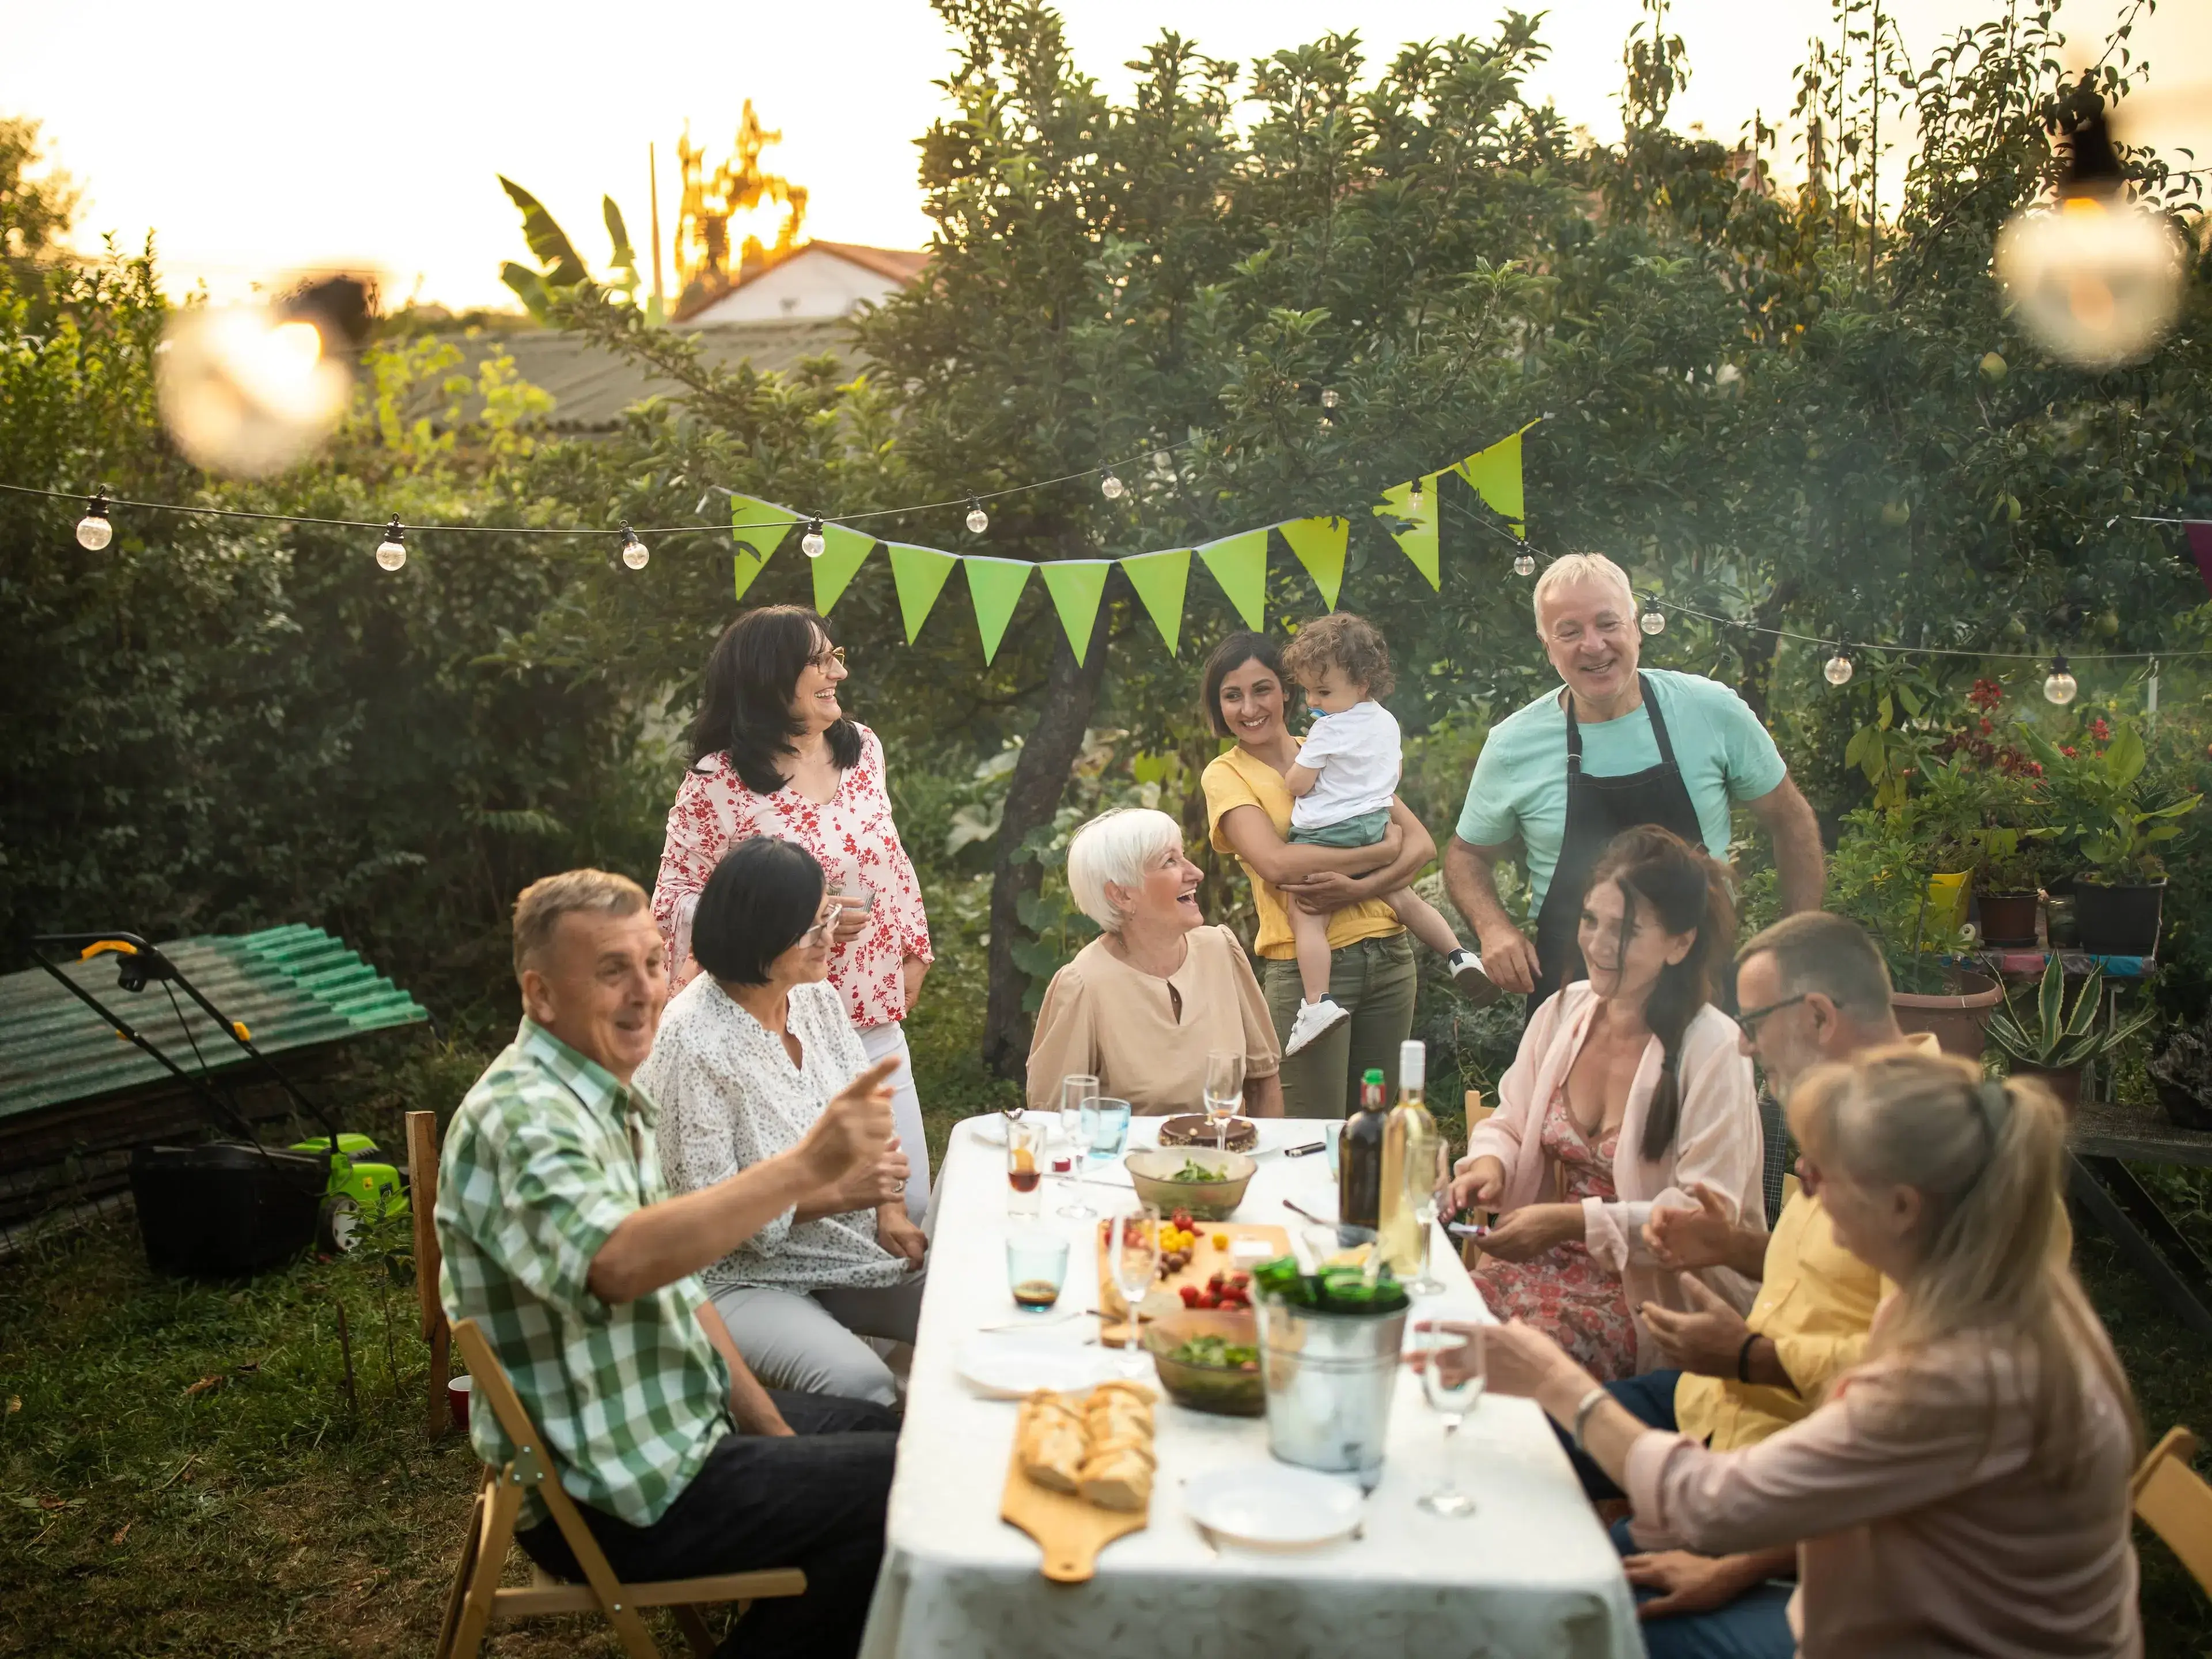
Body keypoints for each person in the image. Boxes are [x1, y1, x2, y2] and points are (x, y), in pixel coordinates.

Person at [1434, 1046, 2142, 1659]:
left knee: (1596, 1623)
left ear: (1902, 1208)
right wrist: (1741, 1568)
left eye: (1824, 1171)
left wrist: (1556, 1379)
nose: (1802, 1177)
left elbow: (1707, 1503)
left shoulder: (1958, 1371)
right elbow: (1889, 1496)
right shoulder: (1981, 1292)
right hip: (1890, 1605)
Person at [436, 869, 908, 1659]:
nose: (645, 991)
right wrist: (806, 1168)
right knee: (908, 1496)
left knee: (899, 1436)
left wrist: (771, 1428)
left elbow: (683, 1294)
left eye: (654, 964)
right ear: (540, 995)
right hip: (612, 1492)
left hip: (686, 1429)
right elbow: (617, 1265)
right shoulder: (525, 1118)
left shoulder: (608, 1096)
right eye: (611, 971)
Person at [1565, 912, 1925, 1655]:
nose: (1744, 1042)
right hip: (1712, 1407)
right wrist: (1732, 1246)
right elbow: (1831, 1273)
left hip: (1794, 1472)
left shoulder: (1935, 1155)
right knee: (1520, 1432)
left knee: (1587, 1606)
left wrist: (1749, 1358)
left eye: (1754, 1021)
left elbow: (1915, 1431)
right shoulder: (1848, 1120)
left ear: (1819, 1016)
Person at [1443, 552, 1825, 1010]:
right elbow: (1467, 855)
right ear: (1547, 646)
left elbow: (1790, 817)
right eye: (1569, 631)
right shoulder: (1512, 745)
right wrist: (1494, 927)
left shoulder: (1710, 710)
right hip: (1571, 995)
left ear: (1636, 628)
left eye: (1608, 624)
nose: (1593, 645)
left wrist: (1796, 946)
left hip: (1698, 987)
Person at [653, 604, 934, 1224]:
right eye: (819, 661)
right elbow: (673, 907)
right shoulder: (715, 784)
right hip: (777, 1031)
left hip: (869, 1011)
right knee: (819, 1216)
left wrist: (913, 945)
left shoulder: (863, 751)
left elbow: (890, 851)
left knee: (907, 1202)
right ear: (769, 677)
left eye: (836, 656)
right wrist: (795, 915)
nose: (837, 672)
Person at [1448, 826, 1761, 1381]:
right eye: (1592, 920)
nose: (1596, 944)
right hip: (1541, 1264)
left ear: (1680, 944)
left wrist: (1568, 1224)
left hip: (1650, 1297)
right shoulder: (1564, 1012)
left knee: (1518, 1364)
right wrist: (1490, 1165)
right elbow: (1511, 1120)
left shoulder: (1713, 1049)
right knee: (1440, 1331)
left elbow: (1702, 1217)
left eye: (1625, 931)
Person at [641, 838, 928, 1408]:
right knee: (862, 1385)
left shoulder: (816, 998)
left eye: (829, 913)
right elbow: (713, 1213)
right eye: (814, 923)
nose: (831, 934)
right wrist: (840, 1193)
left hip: (833, 1247)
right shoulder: (690, 1043)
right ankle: (838, 1479)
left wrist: (890, 1211)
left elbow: (868, 1113)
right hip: (729, 1276)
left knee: (971, 1308)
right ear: (763, 937)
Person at [1199, 631, 1440, 1118]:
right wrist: (1380, 850)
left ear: (1287, 691)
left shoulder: (1333, 743)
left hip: (1390, 960)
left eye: (1262, 689)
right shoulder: (1226, 775)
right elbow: (1277, 864)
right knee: (1313, 1136)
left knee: (1374, 1132)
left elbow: (1421, 845)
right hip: (1309, 973)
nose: (1249, 708)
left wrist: (1361, 886)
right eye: (1232, 695)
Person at [1274, 613, 1494, 1056]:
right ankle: (1459, 955)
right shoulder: (1386, 722)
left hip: (1327, 834)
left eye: (1323, 692)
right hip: (1376, 824)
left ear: (1362, 683)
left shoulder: (1326, 729)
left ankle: (1316, 1003)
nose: (1313, 702)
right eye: (1310, 692)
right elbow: (1392, 773)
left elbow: (1297, 784)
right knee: (1403, 897)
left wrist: (1297, 771)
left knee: (1306, 915)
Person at [1025, 807, 1283, 1117]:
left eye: (1183, 855)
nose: (1196, 873)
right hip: (1130, 1165)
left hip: (1230, 1159)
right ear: (1121, 895)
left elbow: (1263, 1080)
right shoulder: (1084, 984)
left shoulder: (1220, 949)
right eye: (1170, 861)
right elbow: (1055, 1121)